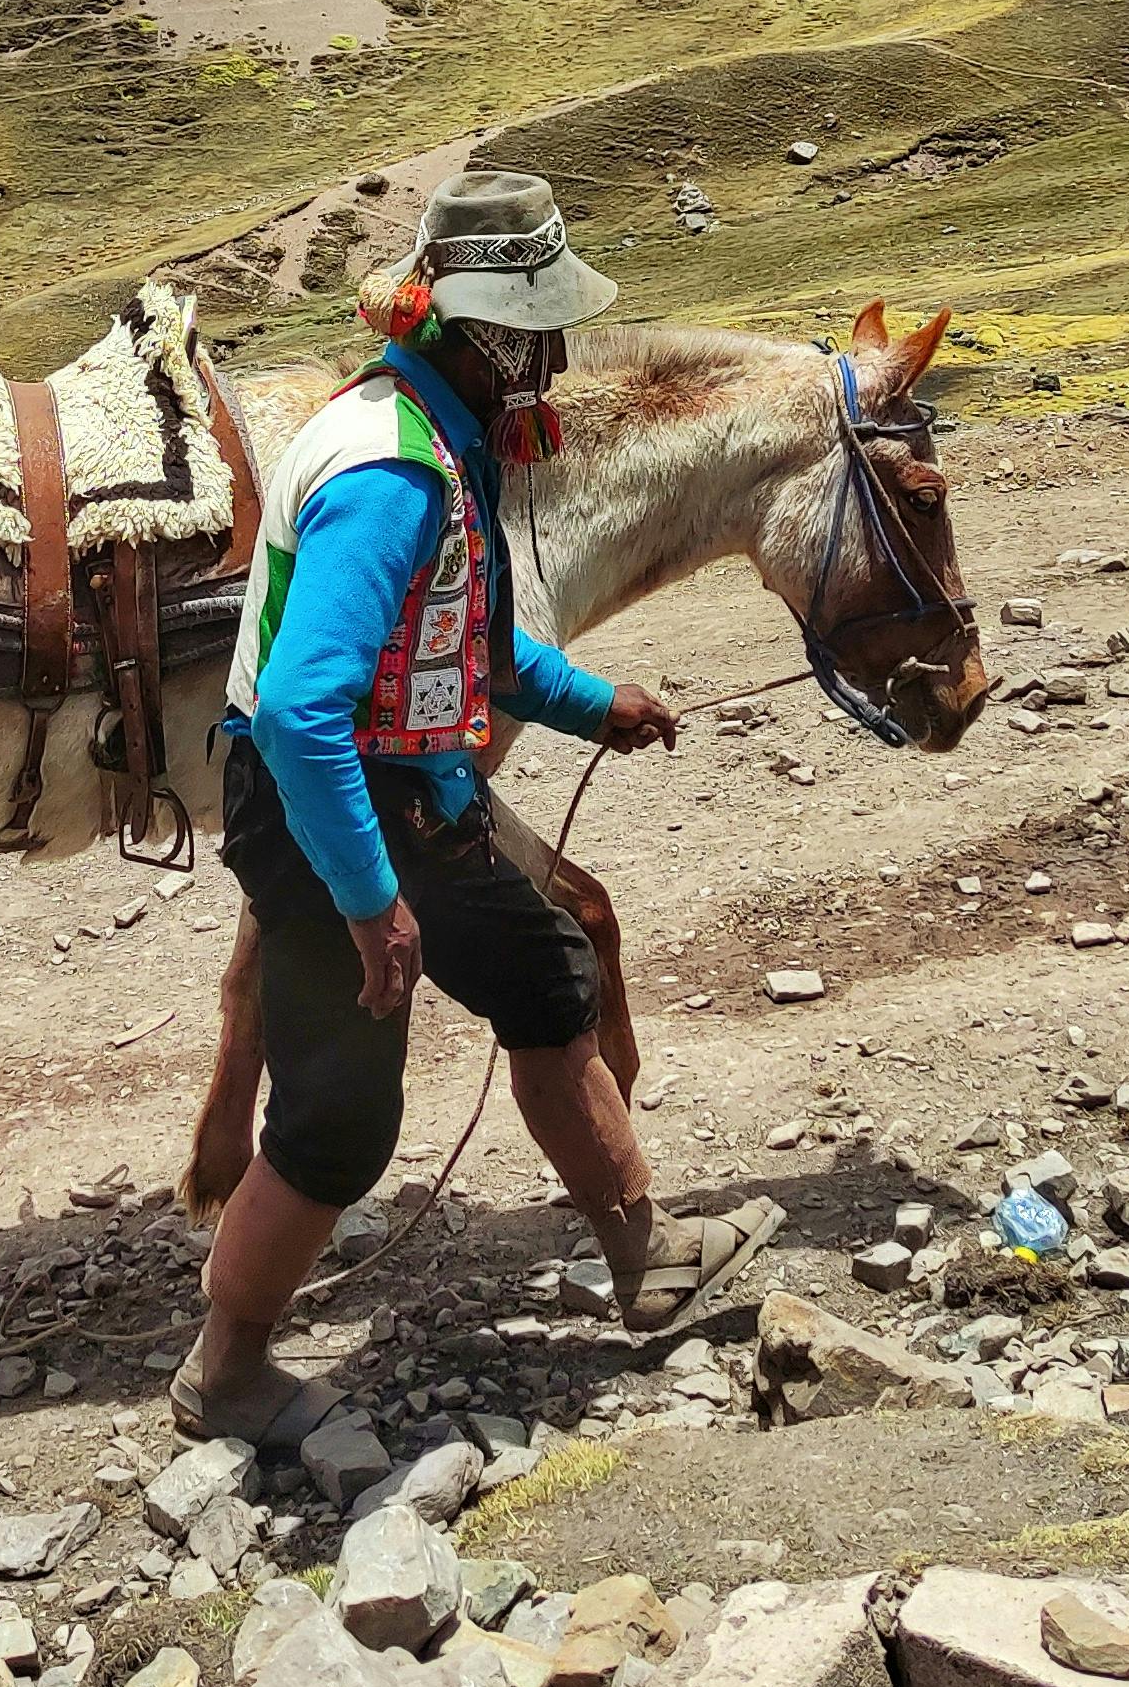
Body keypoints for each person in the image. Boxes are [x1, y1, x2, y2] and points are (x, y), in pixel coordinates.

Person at [170, 167, 771, 1447]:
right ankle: (225, 1370)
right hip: (321, 805)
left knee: (550, 976)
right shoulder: (390, 473)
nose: (555, 357)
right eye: (540, 332)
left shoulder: (448, 442)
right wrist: (373, 903)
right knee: (342, 1112)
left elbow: (479, 646)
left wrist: (597, 702)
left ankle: (646, 1253)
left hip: (411, 784)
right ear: (490, 333)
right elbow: (298, 710)